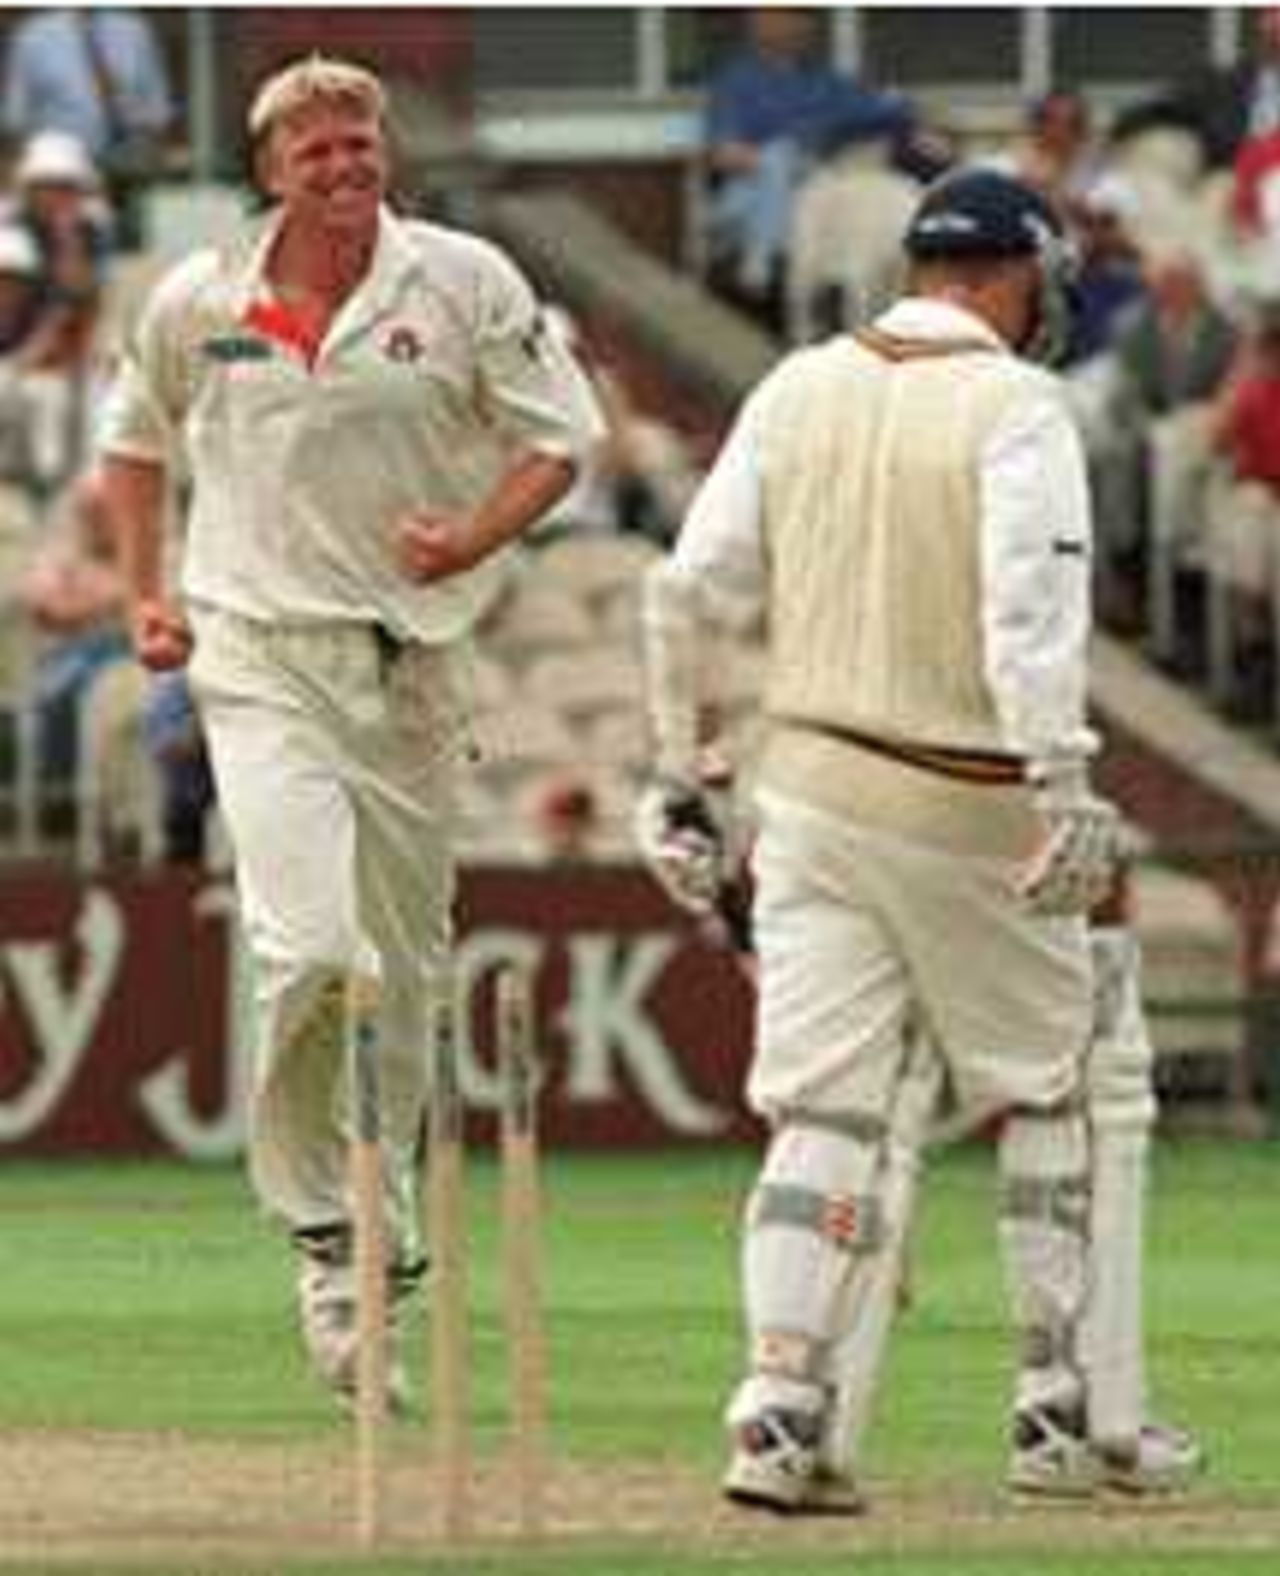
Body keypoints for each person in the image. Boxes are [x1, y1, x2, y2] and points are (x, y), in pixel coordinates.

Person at [96, 55, 601, 1407]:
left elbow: (563, 440)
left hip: (412, 667)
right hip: (258, 653)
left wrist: (469, 539)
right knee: (312, 947)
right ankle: (327, 1240)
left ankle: (387, 1233)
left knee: (408, 976)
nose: (343, 166)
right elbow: (133, 444)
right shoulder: (206, 298)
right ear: (270, 170)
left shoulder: (463, 281)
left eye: (359, 143)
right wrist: (145, 592)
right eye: (314, 150)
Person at [637, 166, 1127, 1513]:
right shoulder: (1018, 405)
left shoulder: (797, 384)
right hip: (966, 797)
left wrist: (676, 773)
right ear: (1017, 274)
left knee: (825, 1110)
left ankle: (778, 1414)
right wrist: (1063, 781)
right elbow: (1026, 611)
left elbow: (682, 591)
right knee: (1051, 1082)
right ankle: (1052, 1409)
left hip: (808, 796)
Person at [702, 7, 910, 321]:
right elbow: (723, 153)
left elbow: (881, 110)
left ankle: (770, 265)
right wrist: (770, 159)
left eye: (801, 16)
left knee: (858, 194)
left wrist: (902, 109)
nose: (793, 26)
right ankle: (769, 263)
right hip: (752, 183)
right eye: (780, 15)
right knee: (778, 160)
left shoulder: (824, 79)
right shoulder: (737, 81)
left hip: (817, 176)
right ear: (757, 24)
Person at [2, 7, 173, 243]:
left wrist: (150, 155)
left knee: (131, 245)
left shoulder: (134, 30)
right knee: (71, 242)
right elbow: (15, 118)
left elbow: (157, 110)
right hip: (63, 169)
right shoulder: (33, 36)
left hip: (126, 168)